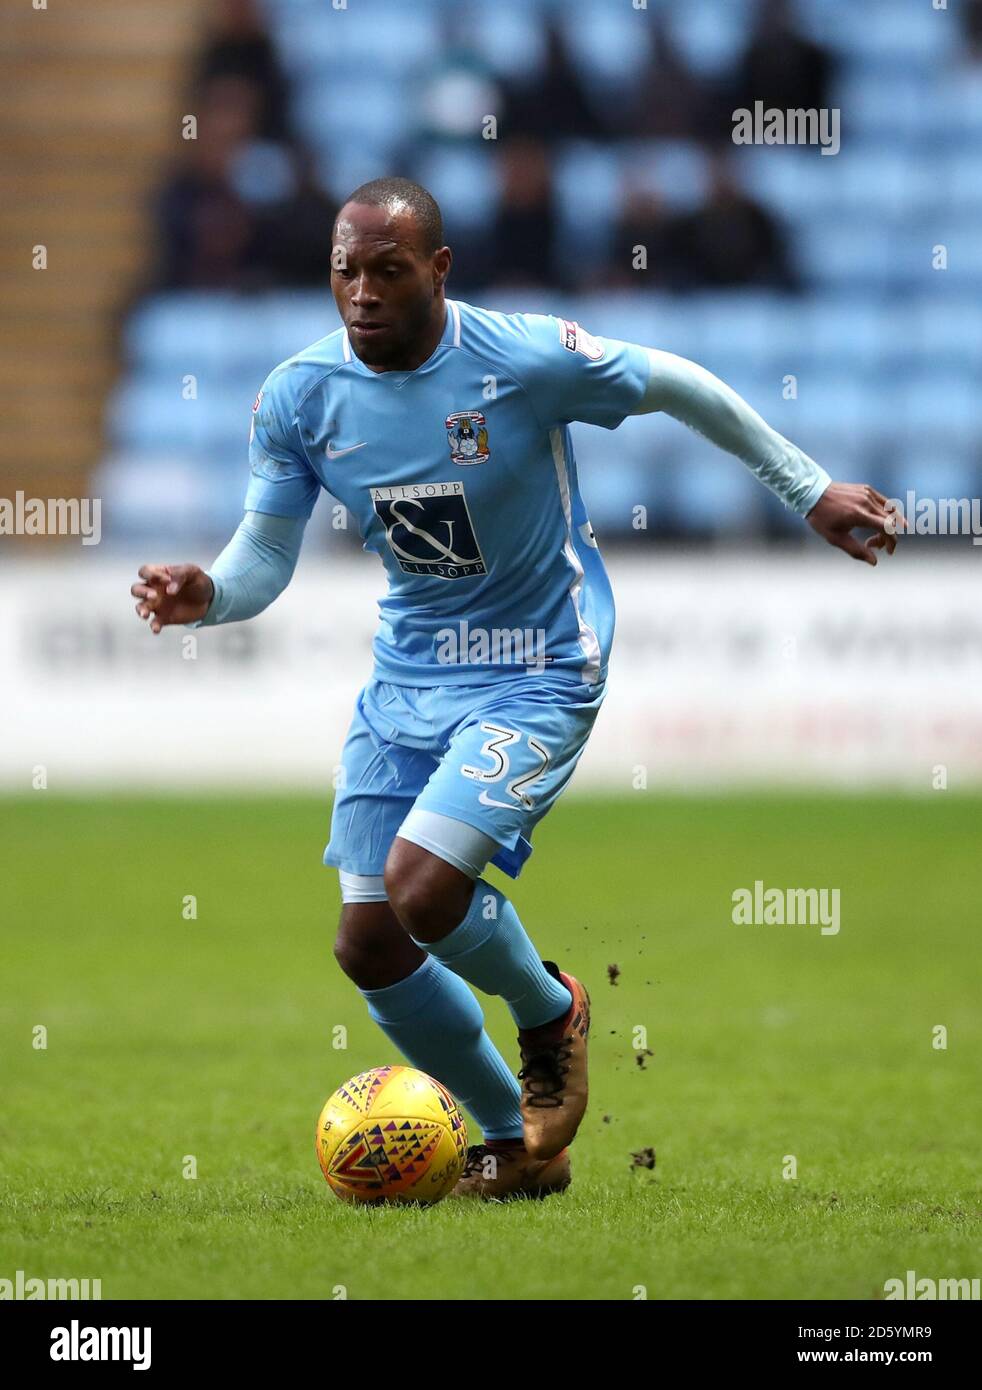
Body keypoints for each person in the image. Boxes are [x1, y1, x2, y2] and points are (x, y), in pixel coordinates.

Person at [130, 177, 902, 1200]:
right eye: (343, 271)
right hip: (407, 675)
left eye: (387, 270)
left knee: (426, 887)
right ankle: (513, 1145)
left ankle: (549, 1011)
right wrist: (208, 592)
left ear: (439, 270)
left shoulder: (522, 358)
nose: (360, 292)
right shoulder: (299, 396)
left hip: (540, 663)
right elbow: (264, 555)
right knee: (367, 939)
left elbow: (675, 381)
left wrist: (806, 488)